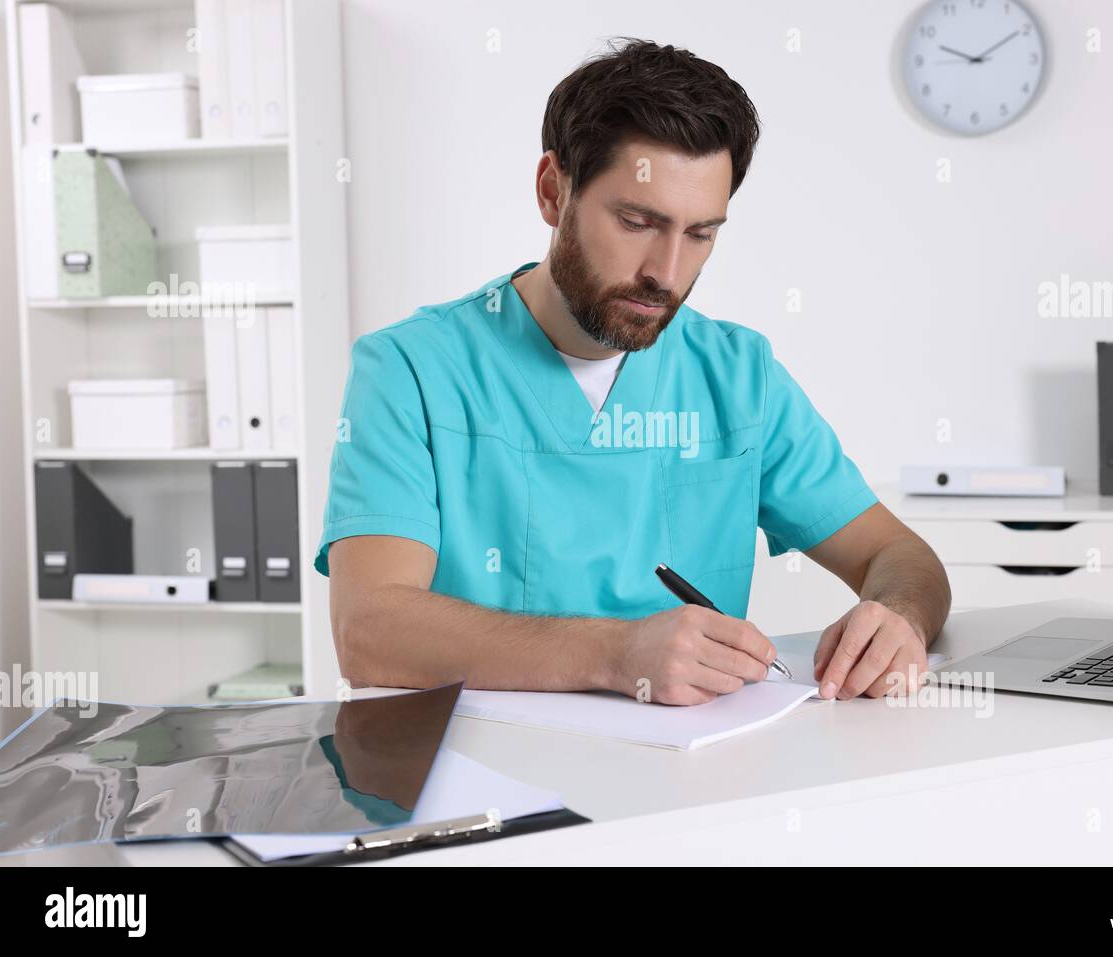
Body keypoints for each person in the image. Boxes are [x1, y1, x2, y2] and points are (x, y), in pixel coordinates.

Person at [318, 38, 951, 706]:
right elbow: (370, 631)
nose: (667, 273)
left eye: (700, 233)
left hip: (694, 781)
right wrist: (617, 654)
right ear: (552, 191)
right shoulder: (410, 370)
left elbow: (902, 558)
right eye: (637, 221)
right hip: (490, 782)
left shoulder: (738, 376)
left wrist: (897, 618)